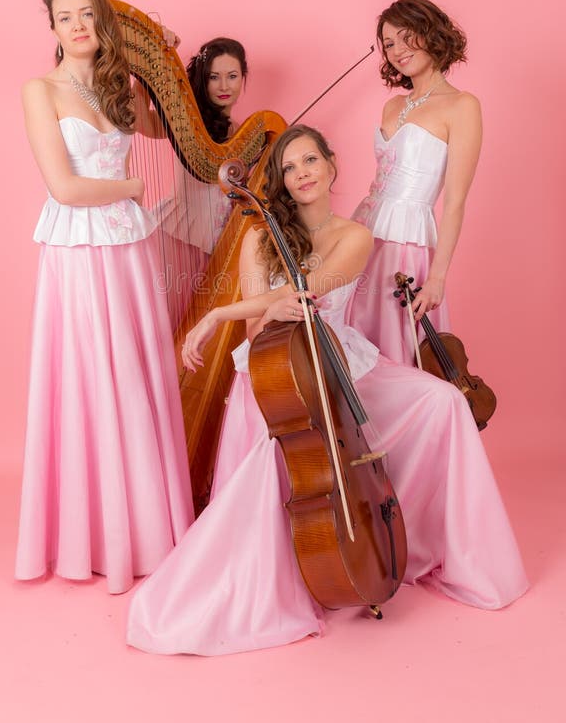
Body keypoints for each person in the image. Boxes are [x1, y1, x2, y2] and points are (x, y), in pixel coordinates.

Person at [126, 125, 527, 656]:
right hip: (279, 368)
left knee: (443, 401)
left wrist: (222, 310)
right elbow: (254, 335)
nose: (302, 174)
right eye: (289, 169)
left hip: (340, 360)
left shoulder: (353, 235)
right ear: (282, 182)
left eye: (310, 160)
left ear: (332, 166)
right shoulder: (258, 237)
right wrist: (263, 312)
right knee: (285, 448)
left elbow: (317, 289)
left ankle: (426, 544)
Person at [15, 0, 194, 595]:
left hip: (127, 249)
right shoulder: (39, 91)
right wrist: (132, 189)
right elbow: (64, 188)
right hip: (80, 250)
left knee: (135, 373)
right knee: (93, 377)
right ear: (53, 29)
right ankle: (95, 535)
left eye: (88, 14)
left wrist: (160, 59)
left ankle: (147, 527)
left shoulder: (118, 89)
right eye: (65, 17)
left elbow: (164, 132)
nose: (78, 25)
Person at [350, 0, 481, 365]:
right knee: (352, 340)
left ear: (431, 33)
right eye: (389, 44)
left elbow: (455, 201)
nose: (397, 50)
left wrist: (438, 277)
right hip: (362, 232)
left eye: (406, 37)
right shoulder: (391, 106)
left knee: (396, 347)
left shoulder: (462, 105)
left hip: (406, 242)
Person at [152, 37, 248, 326]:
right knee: (166, 324)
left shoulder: (246, 133)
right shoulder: (188, 122)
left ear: (243, 77)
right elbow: (141, 123)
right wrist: (144, 80)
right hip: (179, 239)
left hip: (220, 247)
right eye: (214, 77)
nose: (224, 86)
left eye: (232, 76)